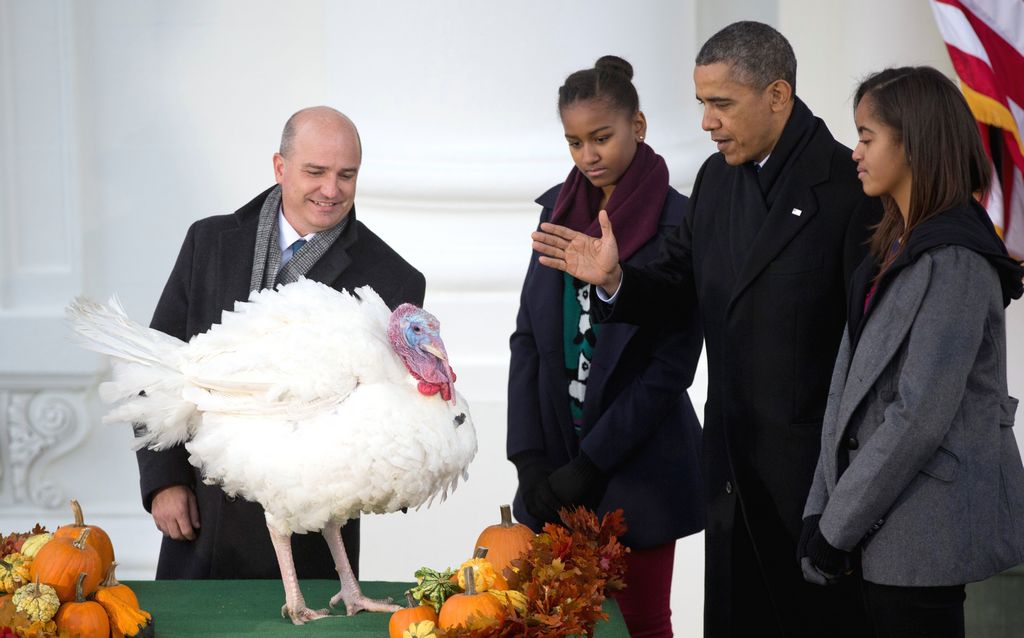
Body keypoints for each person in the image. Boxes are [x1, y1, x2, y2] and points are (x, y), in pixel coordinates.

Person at [531, 22, 882, 637]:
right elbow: (673, 285)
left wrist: (847, 499)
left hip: (814, 489)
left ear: (777, 96)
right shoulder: (717, 179)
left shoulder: (850, 189)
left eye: (721, 103)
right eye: (701, 104)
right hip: (729, 478)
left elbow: (870, 348)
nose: (707, 122)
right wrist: (614, 280)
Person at [136, 106, 426, 580]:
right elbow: (155, 364)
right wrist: (164, 480)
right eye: (316, 172)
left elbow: (390, 420)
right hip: (201, 522)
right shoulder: (207, 243)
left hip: (311, 540)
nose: (331, 190)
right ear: (280, 167)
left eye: (346, 175)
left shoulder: (392, 281)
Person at [800, 66, 1024, 638]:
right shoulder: (893, 246)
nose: (856, 152)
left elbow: (919, 415)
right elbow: (845, 387)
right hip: (873, 526)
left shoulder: (957, 262)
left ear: (914, 141)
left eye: (867, 136)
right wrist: (819, 512)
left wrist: (836, 526)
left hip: (924, 534)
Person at [507, 55, 704, 637]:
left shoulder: (680, 222)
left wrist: (593, 464)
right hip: (557, 462)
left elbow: (670, 366)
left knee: (642, 624)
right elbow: (527, 340)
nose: (588, 156)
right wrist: (530, 459)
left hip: (637, 467)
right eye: (573, 142)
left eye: (601, 137)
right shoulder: (557, 212)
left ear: (637, 126)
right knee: (561, 625)